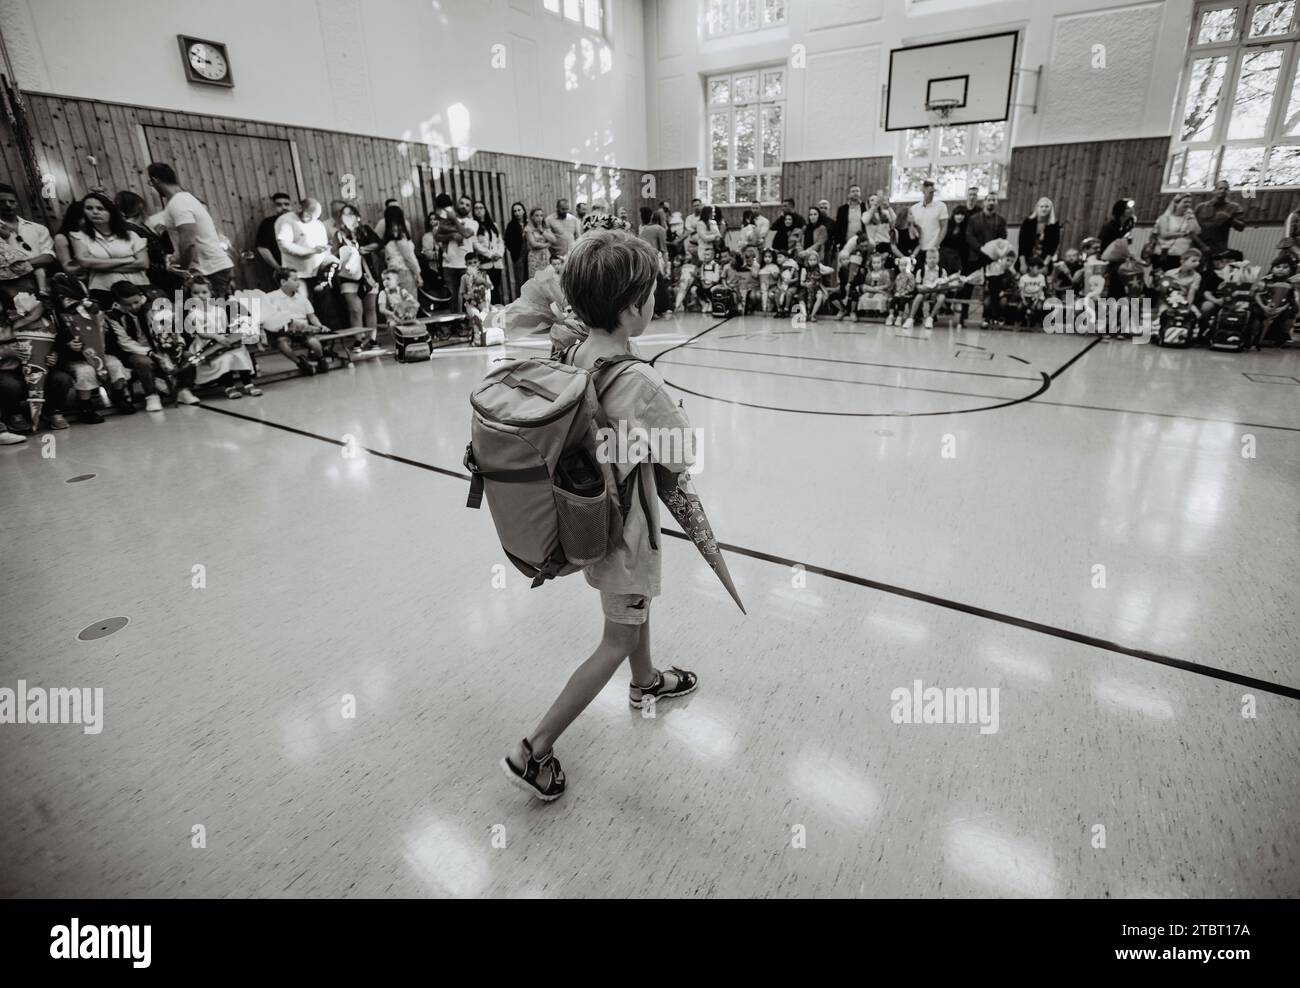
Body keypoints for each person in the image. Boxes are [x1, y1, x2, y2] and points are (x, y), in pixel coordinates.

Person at [500, 229, 698, 802]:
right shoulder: (638, 380)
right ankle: (533, 748)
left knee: (632, 609)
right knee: (616, 634)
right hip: (626, 530)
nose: (656, 300)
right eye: (652, 293)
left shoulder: (577, 349)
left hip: (590, 514)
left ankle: (646, 681)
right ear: (633, 307)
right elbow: (682, 456)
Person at [146, 162, 235, 297]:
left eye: (150, 183)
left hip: (209, 269)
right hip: (209, 267)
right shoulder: (185, 199)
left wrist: (184, 270)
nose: (152, 187)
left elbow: (188, 242)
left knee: (212, 315)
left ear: (155, 180)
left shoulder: (178, 203)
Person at [183, 274, 260, 400]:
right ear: (190, 296)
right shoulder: (193, 314)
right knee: (224, 359)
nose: (201, 296)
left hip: (223, 340)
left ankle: (248, 383)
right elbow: (201, 333)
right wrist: (216, 336)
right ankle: (229, 387)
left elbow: (225, 328)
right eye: (195, 293)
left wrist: (229, 336)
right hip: (206, 345)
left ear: (210, 293)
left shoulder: (219, 310)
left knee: (240, 353)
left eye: (204, 292)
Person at [67, 191, 150, 308]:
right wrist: (127, 260)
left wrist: (100, 266)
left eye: (100, 208)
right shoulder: (79, 237)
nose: (95, 212)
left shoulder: (131, 235)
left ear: (111, 211)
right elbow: (85, 262)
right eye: (89, 208)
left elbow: (143, 263)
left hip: (137, 288)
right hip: (103, 290)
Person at [104, 281, 171, 411]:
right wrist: (150, 353)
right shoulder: (113, 316)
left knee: (183, 355)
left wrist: (165, 348)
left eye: (136, 302)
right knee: (143, 362)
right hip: (134, 351)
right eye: (127, 305)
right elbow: (124, 341)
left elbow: (163, 329)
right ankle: (151, 396)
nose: (134, 307)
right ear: (118, 302)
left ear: (141, 295)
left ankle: (182, 390)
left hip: (157, 344)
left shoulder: (152, 306)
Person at [262, 268, 329, 376]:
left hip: (303, 329)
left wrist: (320, 326)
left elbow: (312, 316)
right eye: (294, 279)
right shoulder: (271, 297)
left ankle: (321, 359)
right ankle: (301, 363)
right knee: (283, 344)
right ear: (283, 282)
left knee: (314, 342)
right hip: (283, 331)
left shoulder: (301, 298)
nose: (298, 282)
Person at [334, 203, 380, 348]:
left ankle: (372, 338)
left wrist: (360, 249)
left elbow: (377, 244)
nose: (347, 217)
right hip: (348, 274)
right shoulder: (339, 234)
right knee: (355, 309)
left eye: (350, 214)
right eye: (344, 214)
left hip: (368, 273)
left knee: (371, 308)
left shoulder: (365, 230)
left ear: (357, 216)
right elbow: (336, 253)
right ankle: (358, 339)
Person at [0, 182, 55, 293]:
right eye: (2, 202)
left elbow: (49, 257)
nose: (8, 205)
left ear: (16, 203)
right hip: (9, 285)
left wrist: (22, 266)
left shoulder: (38, 228)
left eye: (11, 201)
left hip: (40, 277)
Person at [439, 195, 479, 311]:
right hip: (449, 265)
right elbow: (437, 236)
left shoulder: (473, 223)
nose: (463, 206)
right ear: (457, 205)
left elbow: (466, 234)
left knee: (469, 296)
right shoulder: (446, 221)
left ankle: (469, 324)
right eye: (461, 203)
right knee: (452, 298)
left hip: (466, 265)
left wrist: (454, 220)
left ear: (470, 209)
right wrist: (452, 234)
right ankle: (455, 326)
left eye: (467, 205)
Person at [382, 205, 423, 301]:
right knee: (409, 306)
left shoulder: (389, 234)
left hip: (392, 272)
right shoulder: (399, 234)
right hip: (404, 271)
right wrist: (418, 275)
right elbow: (407, 258)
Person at [1194, 180, 1245, 258]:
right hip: (1199, 247)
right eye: (1220, 188)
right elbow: (1191, 228)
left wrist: (1229, 218)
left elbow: (1241, 227)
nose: (1223, 191)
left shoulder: (1234, 207)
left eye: (1226, 189)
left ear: (1229, 192)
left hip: (1219, 249)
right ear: (1214, 191)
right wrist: (1202, 246)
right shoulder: (1200, 207)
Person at [1152, 193, 1203, 271]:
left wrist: (1192, 218)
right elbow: (1164, 234)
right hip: (1165, 254)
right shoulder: (1165, 218)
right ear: (1176, 203)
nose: (1188, 204)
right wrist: (1183, 234)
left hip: (1182, 256)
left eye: (1190, 202)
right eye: (1185, 202)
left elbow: (1197, 231)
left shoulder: (1188, 218)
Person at [255, 193, 293, 287]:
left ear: (291, 205)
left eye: (286, 204)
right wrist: (279, 268)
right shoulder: (268, 224)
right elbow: (262, 248)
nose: (283, 207)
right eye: (279, 205)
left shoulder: (298, 221)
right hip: (283, 271)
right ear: (274, 207)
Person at [471, 200, 506, 303]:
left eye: (481, 208)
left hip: (496, 263)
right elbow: (475, 243)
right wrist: (490, 255)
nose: (479, 210)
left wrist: (499, 254)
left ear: (485, 210)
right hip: (484, 264)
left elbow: (500, 241)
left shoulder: (493, 225)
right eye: (476, 208)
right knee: (485, 290)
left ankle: (498, 314)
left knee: (496, 289)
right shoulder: (473, 225)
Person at [1017, 197, 1061, 274]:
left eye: (1047, 207)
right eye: (1041, 206)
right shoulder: (1028, 222)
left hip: (1044, 259)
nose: (1044, 209)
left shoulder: (1054, 225)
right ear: (1037, 208)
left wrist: (1045, 264)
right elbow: (1022, 245)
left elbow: (1053, 247)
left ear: (1050, 209)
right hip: (1027, 258)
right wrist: (1022, 263)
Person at [459, 254, 493, 346]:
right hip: (471, 303)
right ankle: (478, 339)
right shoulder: (464, 277)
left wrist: (483, 281)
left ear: (478, 263)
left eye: (475, 262)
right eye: (470, 263)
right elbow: (462, 293)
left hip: (483, 302)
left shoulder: (484, 275)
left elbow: (491, 287)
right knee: (475, 315)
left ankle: (483, 338)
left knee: (484, 313)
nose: (473, 265)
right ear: (466, 264)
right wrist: (469, 296)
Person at [909, 179, 948, 255]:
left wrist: (937, 244)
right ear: (923, 190)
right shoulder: (914, 208)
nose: (931, 195)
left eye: (933, 192)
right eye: (929, 192)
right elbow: (912, 228)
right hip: (918, 249)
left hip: (933, 248)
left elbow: (944, 227)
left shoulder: (941, 206)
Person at [504, 201, 528, 299]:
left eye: (519, 210)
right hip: (518, 255)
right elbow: (507, 240)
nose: (517, 213)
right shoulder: (511, 225)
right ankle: (521, 301)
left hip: (531, 254)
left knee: (530, 278)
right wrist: (514, 252)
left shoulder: (528, 223)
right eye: (515, 211)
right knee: (520, 280)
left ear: (523, 211)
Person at [833, 184, 867, 253]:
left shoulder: (865, 207)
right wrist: (837, 242)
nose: (855, 193)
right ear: (848, 194)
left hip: (862, 242)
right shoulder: (842, 209)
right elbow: (838, 226)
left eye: (857, 191)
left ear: (860, 193)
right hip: (846, 241)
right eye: (853, 191)